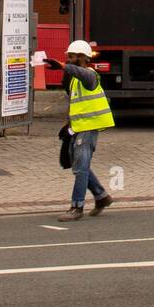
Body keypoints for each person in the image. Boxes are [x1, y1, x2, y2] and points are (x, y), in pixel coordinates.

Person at [45, 40, 115, 221]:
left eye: (71, 56)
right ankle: (102, 197)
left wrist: (62, 66)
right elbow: (76, 104)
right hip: (78, 126)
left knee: (80, 168)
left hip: (89, 127)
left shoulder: (90, 76)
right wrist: (68, 125)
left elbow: (82, 73)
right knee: (78, 165)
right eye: (66, 56)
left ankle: (77, 207)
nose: (67, 59)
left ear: (82, 58)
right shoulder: (74, 79)